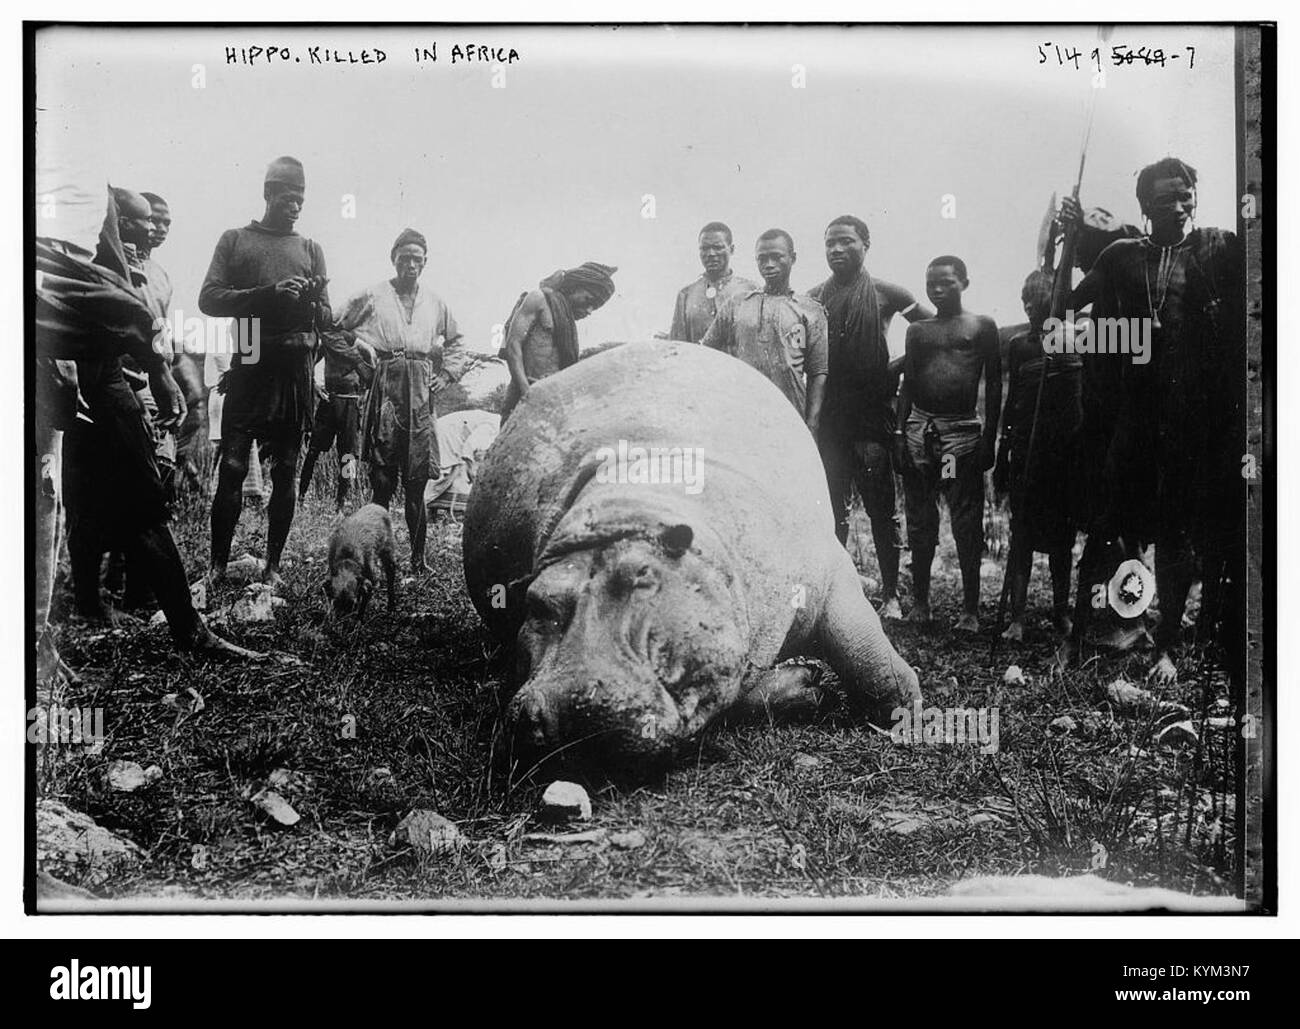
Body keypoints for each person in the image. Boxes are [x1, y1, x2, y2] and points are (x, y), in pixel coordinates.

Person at [44, 186, 258, 658]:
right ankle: (94, 607)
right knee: (80, 497)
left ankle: (172, 620)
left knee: (139, 497)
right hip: (74, 369)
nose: (148, 229)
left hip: (107, 375)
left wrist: (164, 375)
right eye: (138, 221)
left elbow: (148, 328)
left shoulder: (140, 269)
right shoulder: (72, 224)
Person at [1059, 157, 1244, 684]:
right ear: (1144, 205)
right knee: (1108, 520)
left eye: (1187, 195)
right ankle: (1079, 636)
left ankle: (1167, 644)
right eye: (1168, 198)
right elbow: (1071, 305)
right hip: (1132, 409)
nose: (1181, 206)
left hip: (1193, 414)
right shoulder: (1121, 256)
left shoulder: (1217, 247)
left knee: (1177, 530)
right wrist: (1068, 241)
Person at [199, 156, 336, 588]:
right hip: (251, 353)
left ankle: (273, 567)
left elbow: (328, 320)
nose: (295, 205)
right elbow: (209, 298)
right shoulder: (236, 240)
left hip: (295, 368)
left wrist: (311, 301)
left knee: (285, 470)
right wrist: (267, 295)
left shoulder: (311, 249)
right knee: (235, 467)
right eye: (287, 197)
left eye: (301, 198)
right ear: (267, 194)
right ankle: (217, 566)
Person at [809, 215, 932, 618]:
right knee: (833, 509)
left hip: (872, 415)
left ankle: (892, 595)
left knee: (881, 508)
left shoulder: (887, 293)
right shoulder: (813, 298)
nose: (837, 250)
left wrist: (894, 368)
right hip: (830, 417)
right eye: (830, 243)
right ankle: (836, 593)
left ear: (866, 244)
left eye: (846, 241)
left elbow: (933, 330)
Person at [338, 228, 466, 572]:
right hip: (387, 388)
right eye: (404, 257)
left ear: (425, 263)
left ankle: (419, 561)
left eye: (417, 258)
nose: (410, 264)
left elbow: (457, 341)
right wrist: (362, 361)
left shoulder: (436, 302)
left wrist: (447, 375)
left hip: (422, 390)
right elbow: (337, 325)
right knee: (382, 480)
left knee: (417, 481)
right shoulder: (373, 295)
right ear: (393, 259)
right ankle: (375, 560)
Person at [896, 255, 1001, 632]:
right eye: (931, 283)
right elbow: (907, 384)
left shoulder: (981, 326)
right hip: (920, 432)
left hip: (959, 437)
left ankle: (970, 610)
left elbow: (995, 385)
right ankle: (922, 604)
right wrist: (899, 434)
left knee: (965, 520)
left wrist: (989, 437)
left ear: (965, 283)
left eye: (946, 282)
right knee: (921, 519)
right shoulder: (918, 331)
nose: (937, 289)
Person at [994, 270, 1083, 641]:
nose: (1031, 306)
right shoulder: (1020, 345)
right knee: (1022, 537)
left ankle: (1060, 613)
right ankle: (1017, 618)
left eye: (1040, 299)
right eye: (1025, 300)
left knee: (1062, 541)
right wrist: (1003, 457)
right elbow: (1013, 402)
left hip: (1063, 455)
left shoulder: (1079, 339)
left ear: (1058, 301)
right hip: (1026, 454)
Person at [700, 229, 828, 433]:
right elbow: (705, 352)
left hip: (791, 413)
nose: (769, 265)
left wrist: (812, 424)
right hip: (745, 412)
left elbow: (818, 372)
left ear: (793, 258)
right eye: (762, 259)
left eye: (776, 257)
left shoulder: (810, 310)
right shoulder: (737, 304)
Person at [499, 261, 618, 420]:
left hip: (553, 398)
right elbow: (513, 345)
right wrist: (526, 391)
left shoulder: (567, 321)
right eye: (588, 299)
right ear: (576, 286)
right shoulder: (538, 298)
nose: (589, 310)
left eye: (595, 307)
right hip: (524, 393)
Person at [298, 311, 374, 512]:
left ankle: (341, 502)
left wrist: (364, 395)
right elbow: (309, 362)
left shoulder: (357, 343)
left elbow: (371, 366)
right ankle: (300, 496)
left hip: (350, 404)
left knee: (347, 456)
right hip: (329, 401)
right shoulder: (329, 342)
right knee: (313, 451)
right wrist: (315, 385)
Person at [668, 221, 758, 343]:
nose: (711, 254)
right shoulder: (686, 295)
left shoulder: (750, 290)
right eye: (704, 248)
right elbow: (678, 345)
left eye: (717, 247)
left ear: (731, 249)